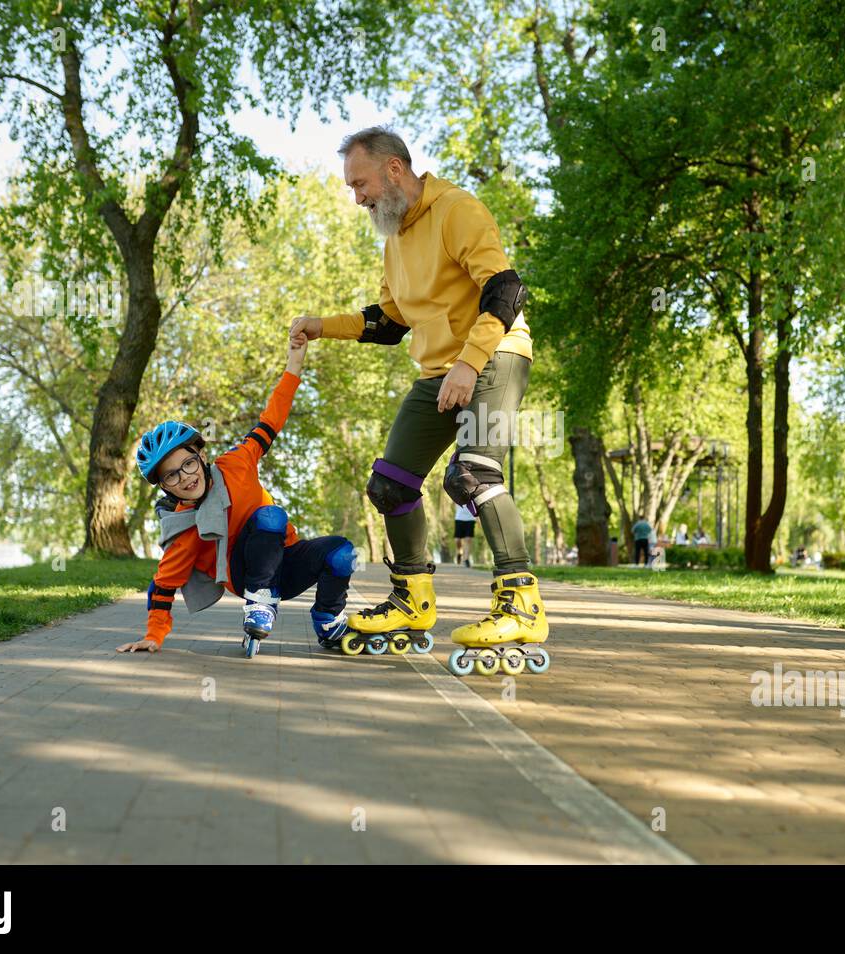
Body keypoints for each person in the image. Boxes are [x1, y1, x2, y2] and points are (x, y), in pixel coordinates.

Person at [289, 127, 548, 673]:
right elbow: (388, 323)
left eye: (359, 184)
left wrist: (468, 363)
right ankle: (411, 599)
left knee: (473, 474)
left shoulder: (458, 209)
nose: (356, 197)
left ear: (393, 170)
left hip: (496, 353)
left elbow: (506, 290)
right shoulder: (394, 240)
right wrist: (320, 326)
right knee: (391, 484)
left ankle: (521, 604)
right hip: (439, 370)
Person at [116, 329, 358, 659]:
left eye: (187, 464)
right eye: (171, 476)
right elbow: (162, 586)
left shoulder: (236, 463)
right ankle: (259, 599)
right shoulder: (186, 527)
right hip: (246, 574)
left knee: (342, 553)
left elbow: (272, 419)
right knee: (269, 516)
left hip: (286, 560)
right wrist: (154, 634)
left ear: (201, 456)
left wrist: (295, 362)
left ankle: (328, 621)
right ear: (164, 487)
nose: (184, 478)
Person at [454, 502, 477, 567]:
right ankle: (459, 552)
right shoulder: (458, 493)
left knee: (468, 539)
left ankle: (466, 559)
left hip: (470, 519)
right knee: (457, 540)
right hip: (459, 518)